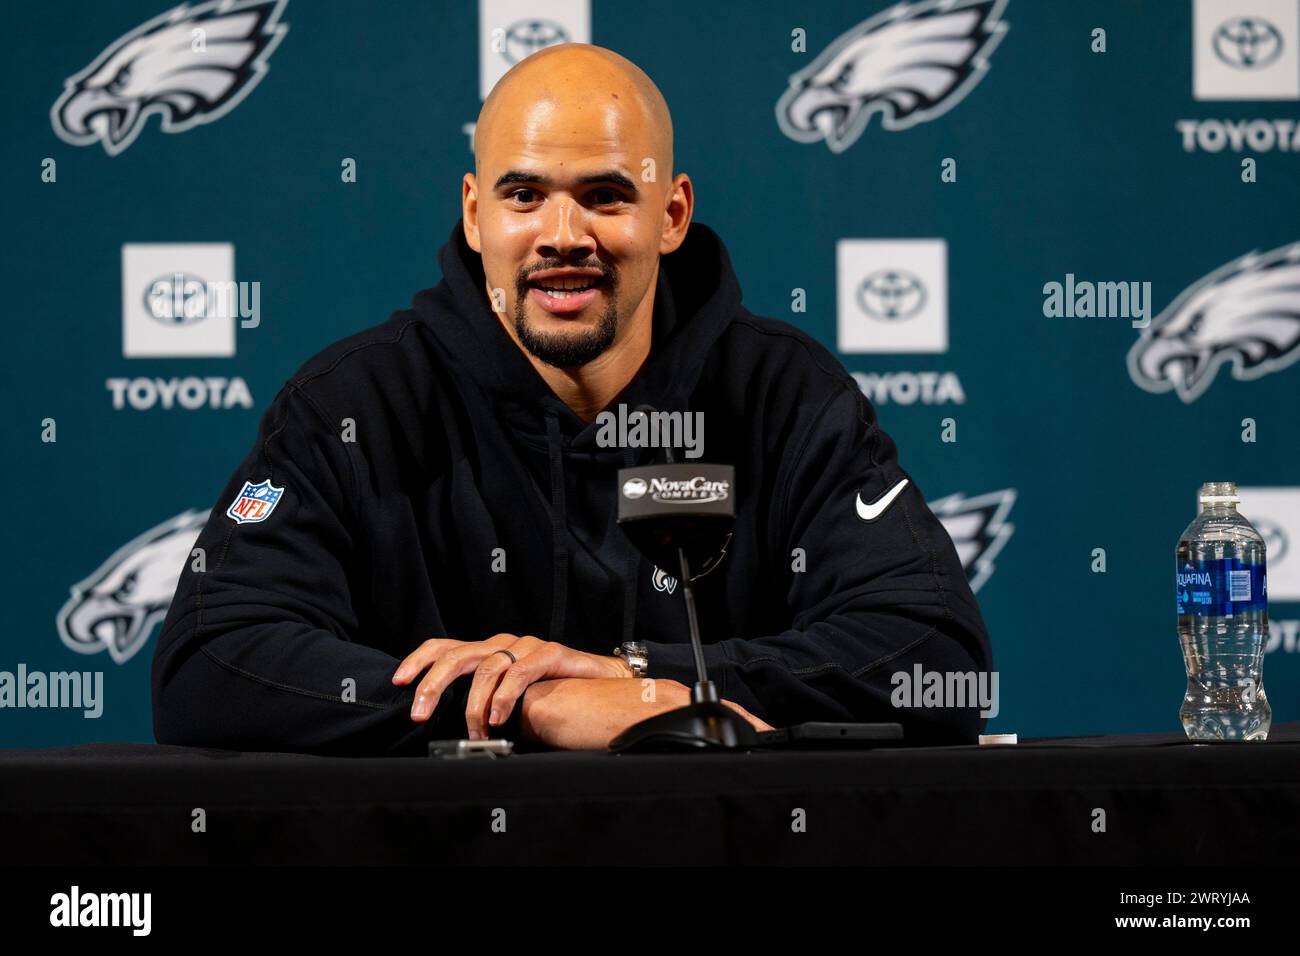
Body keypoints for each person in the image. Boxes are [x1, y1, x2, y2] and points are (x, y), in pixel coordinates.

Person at [152, 43, 992, 755]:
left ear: (672, 214)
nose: (562, 235)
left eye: (605, 195)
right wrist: (519, 703)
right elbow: (210, 660)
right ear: (476, 215)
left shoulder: (786, 393)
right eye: (525, 195)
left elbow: (936, 658)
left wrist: (654, 687)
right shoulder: (355, 404)